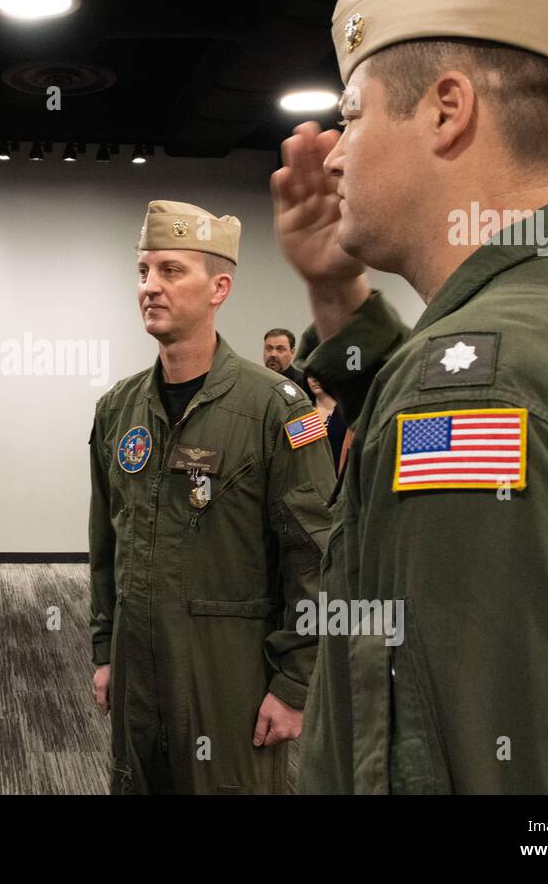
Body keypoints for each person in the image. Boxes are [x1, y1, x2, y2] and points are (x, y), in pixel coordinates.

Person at [272, 0, 548, 793]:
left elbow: (463, 762)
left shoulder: (480, 390)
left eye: (351, 116)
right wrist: (335, 292)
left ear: (446, 110)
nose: (333, 157)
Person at [88, 200, 335, 794]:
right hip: (138, 666)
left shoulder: (280, 408)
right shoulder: (118, 409)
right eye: (144, 271)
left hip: (230, 673)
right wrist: (105, 647)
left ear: (219, 286)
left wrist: (295, 684)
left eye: (171, 271)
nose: (150, 286)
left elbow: (317, 556)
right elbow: (105, 544)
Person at [263, 328, 314, 401]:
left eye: (280, 349)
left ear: (292, 352)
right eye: (269, 348)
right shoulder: (257, 381)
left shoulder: (304, 383)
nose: (273, 354)